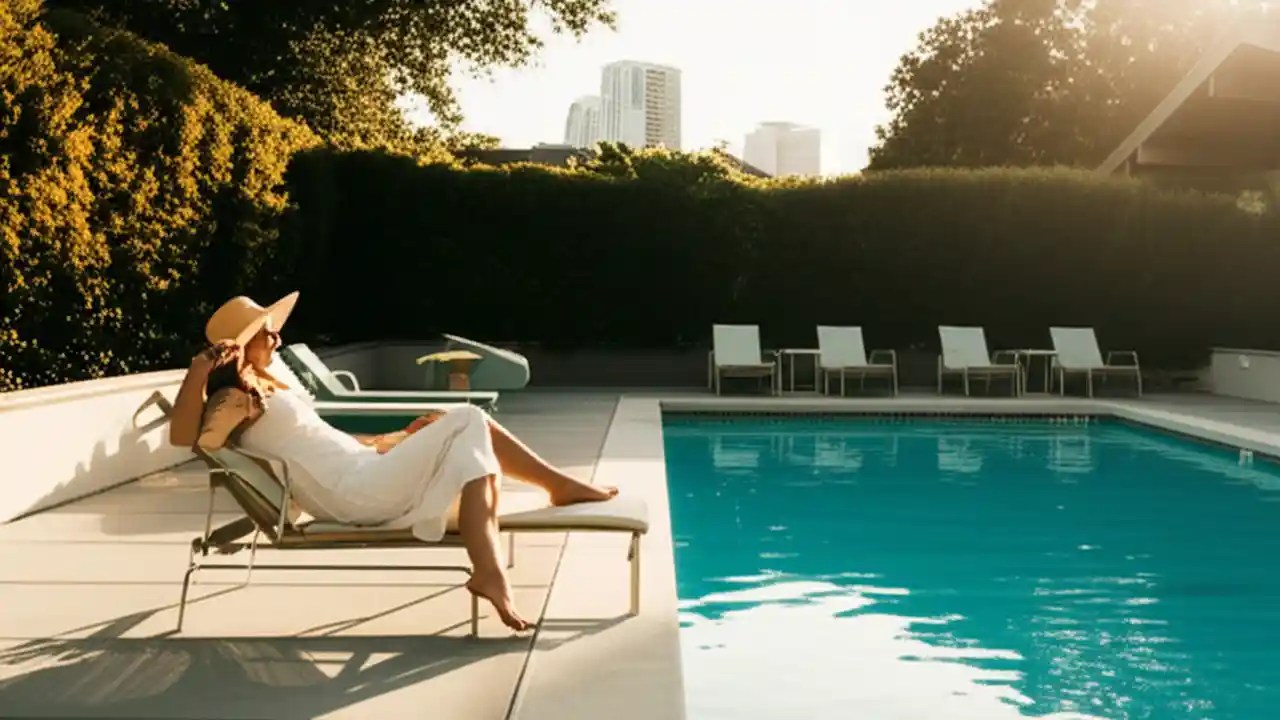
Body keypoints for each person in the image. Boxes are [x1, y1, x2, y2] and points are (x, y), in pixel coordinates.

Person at [168, 291, 617, 631]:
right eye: (266, 331)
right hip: (353, 495)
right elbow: (188, 438)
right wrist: (198, 372)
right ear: (241, 347)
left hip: (362, 472)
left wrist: (399, 438)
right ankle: (500, 557)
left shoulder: (272, 385)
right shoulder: (232, 398)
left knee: (462, 425)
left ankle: (516, 538)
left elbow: (329, 443)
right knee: (468, 420)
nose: (277, 335)